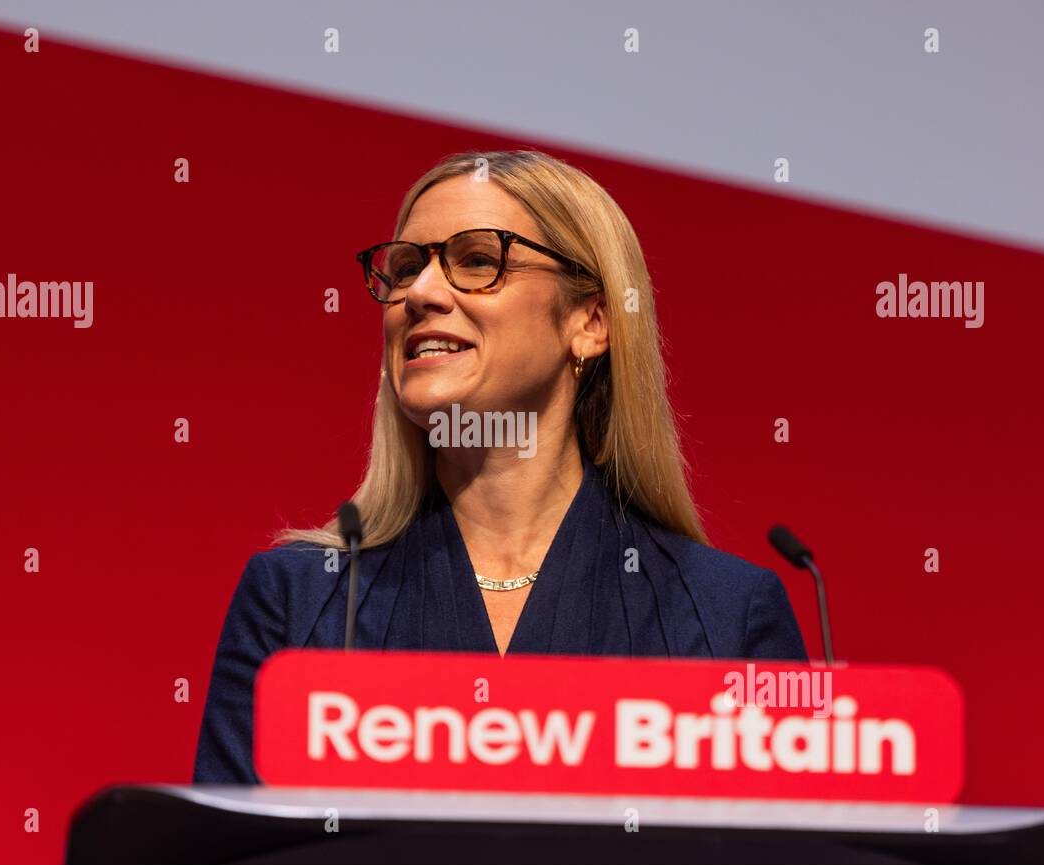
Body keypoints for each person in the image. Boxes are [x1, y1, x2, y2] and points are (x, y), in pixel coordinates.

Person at [194, 149, 806, 784]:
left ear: (590, 320)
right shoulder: (301, 601)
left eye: (479, 261)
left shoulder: (727, 615)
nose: (420, 294)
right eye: (406, 268)